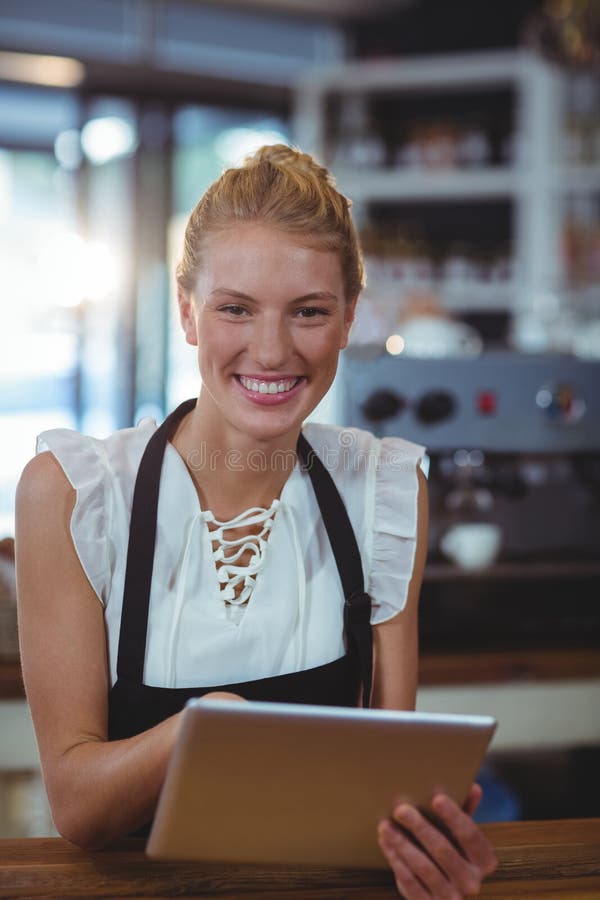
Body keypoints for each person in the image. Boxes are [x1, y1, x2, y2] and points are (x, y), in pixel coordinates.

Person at [15, 144, 497, 898]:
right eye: (235, 308)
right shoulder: (76, 493)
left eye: (309, 312)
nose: (271, 351)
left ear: (348, 321)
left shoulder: (385, 489)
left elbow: (385, 787)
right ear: (186, 314)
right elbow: (77, 807)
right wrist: (211, 725)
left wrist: (424, 846)